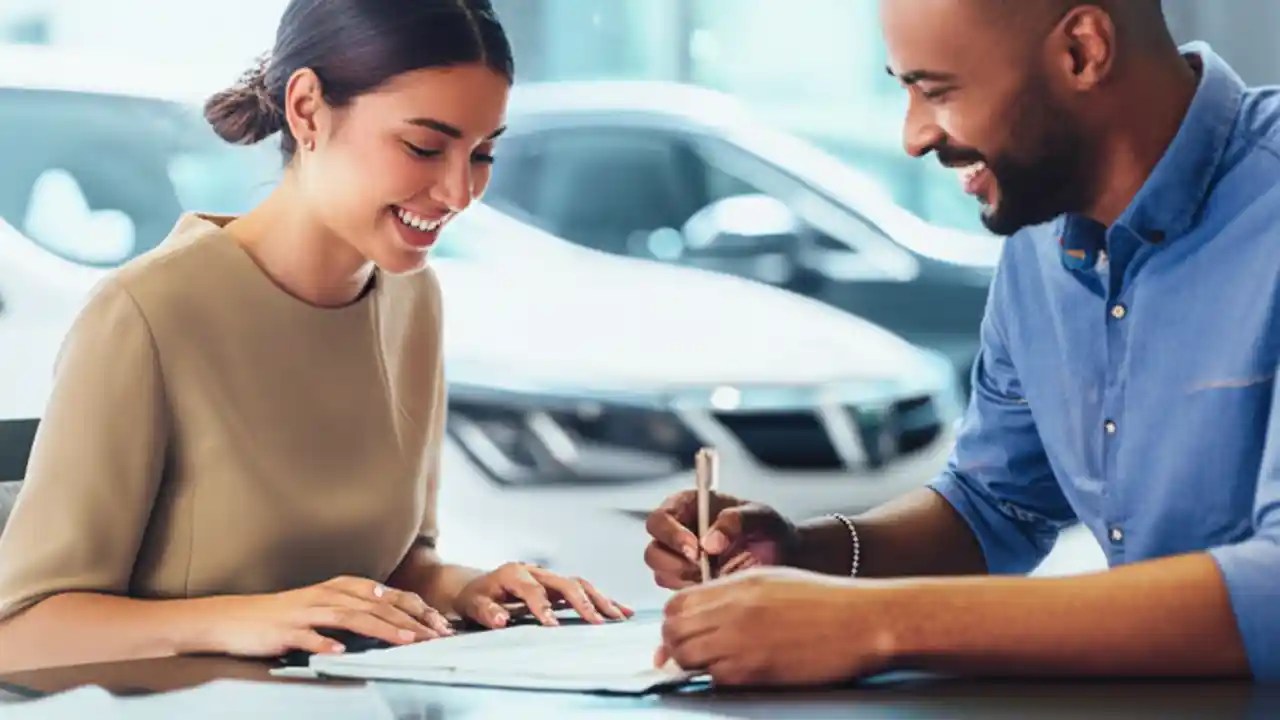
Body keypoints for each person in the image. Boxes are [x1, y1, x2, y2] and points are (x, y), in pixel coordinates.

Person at [645, 0, 1280, 686]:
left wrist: (874, 623)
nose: (914, 136)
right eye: (904, 87)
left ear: (1082, 52)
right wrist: (804, 554)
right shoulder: (1041, 237)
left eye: (937, 90)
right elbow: (992, 509)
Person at [0, 0, 630, 674]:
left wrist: (469, 590)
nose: (458, 191)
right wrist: (252, 616)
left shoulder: (412, 297)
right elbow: (22, 631)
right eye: (423, 147)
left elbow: (398, 564)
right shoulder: (149, 312)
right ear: (307, 111)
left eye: (482, 153)